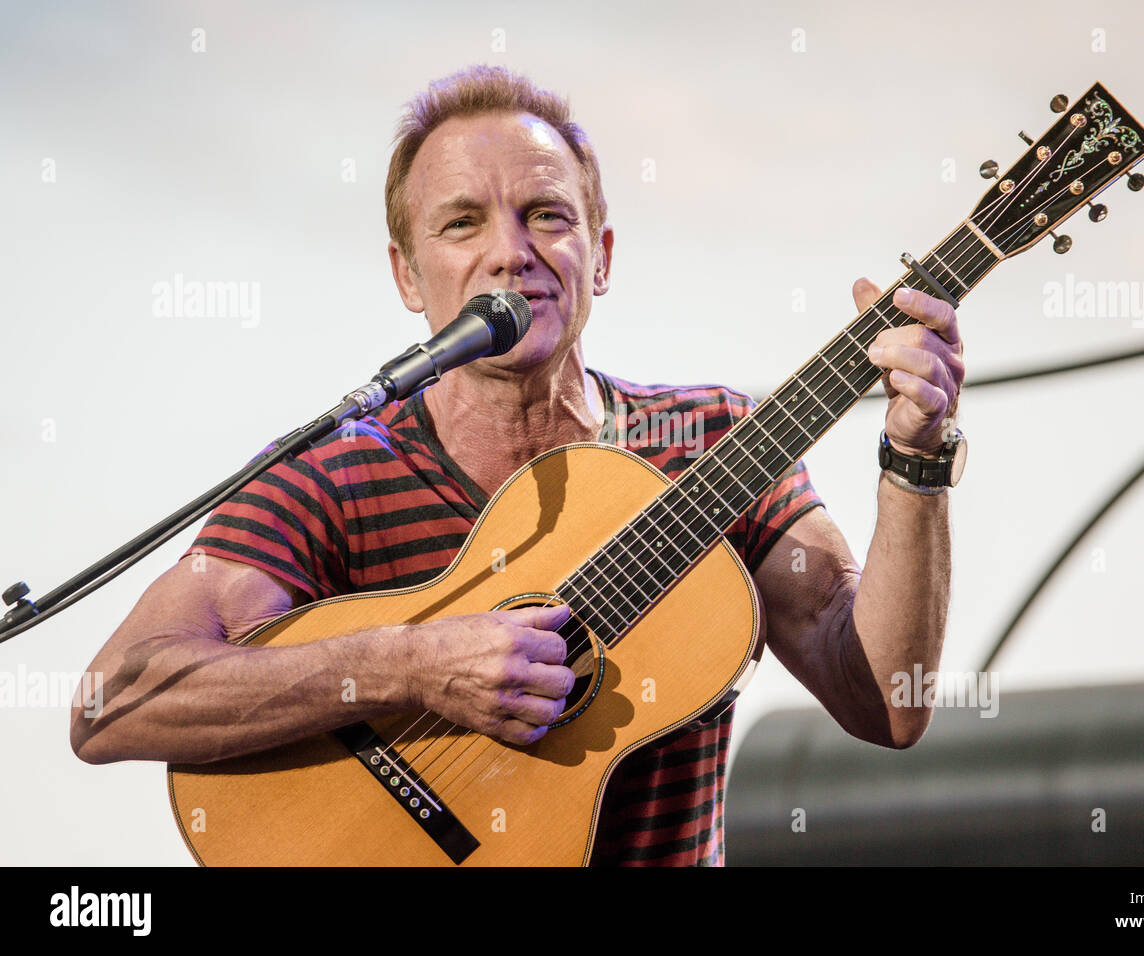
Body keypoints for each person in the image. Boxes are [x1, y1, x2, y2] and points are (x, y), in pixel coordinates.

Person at [71, 65, 965, 866]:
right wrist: (409, 666)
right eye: (463, 223)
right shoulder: (329, 477)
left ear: (600, 257)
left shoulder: (712, 440)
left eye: (547, 216)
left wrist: (914, 462)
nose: (511, 250)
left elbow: (886, 701)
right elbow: (114, 701)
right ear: (409, 278)